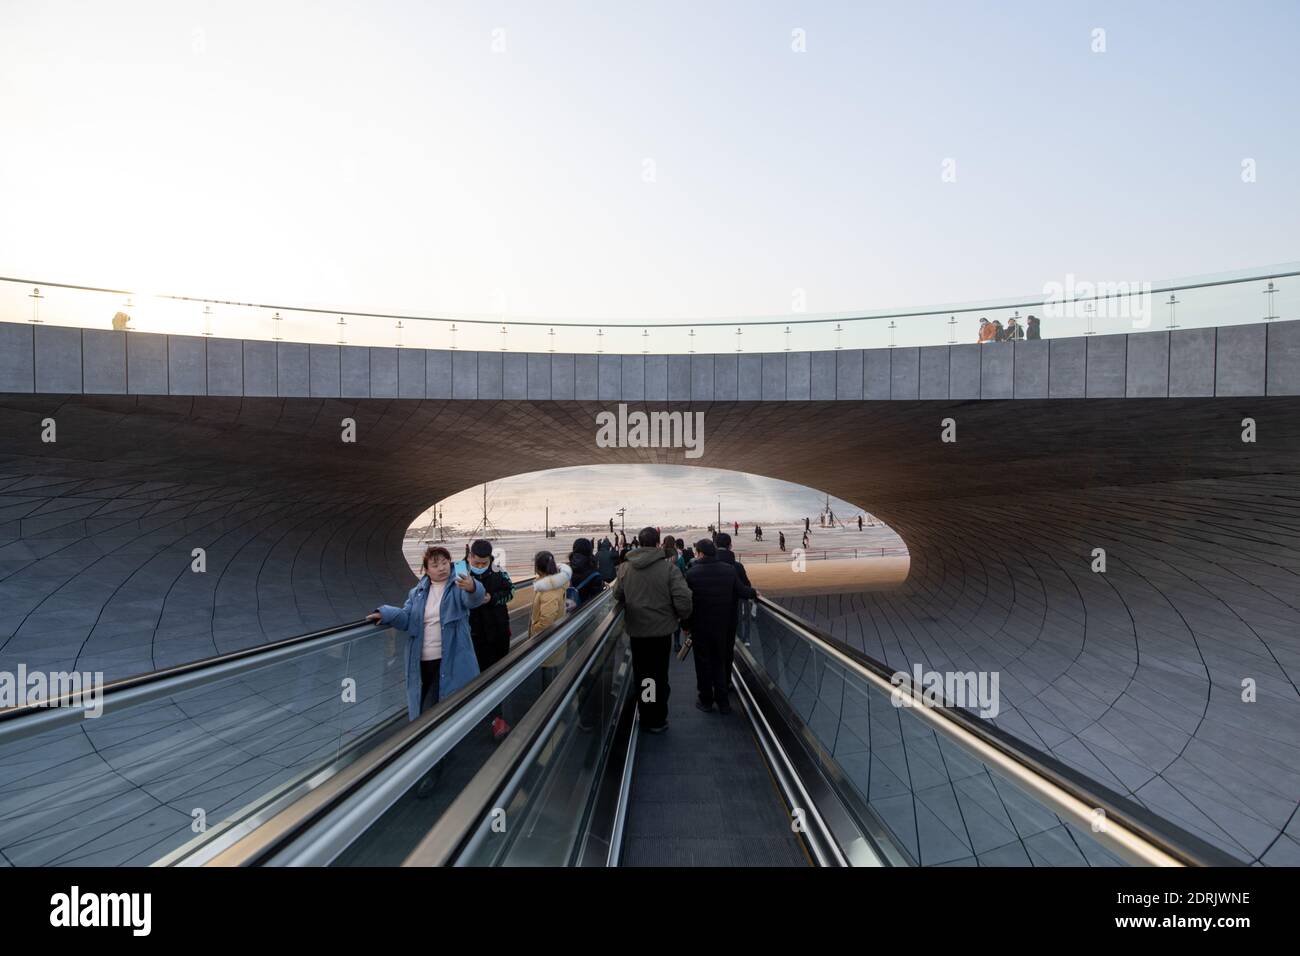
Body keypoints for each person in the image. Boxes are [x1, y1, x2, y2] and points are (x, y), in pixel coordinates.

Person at [368, 545, 484, 797]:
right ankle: (442, 754)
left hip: (448, 662)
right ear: (427, 569)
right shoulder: (418, 592)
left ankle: (431, 771)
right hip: (421, 663)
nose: (441, 567)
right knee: (425, 713)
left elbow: (473, 600)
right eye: (435, 564)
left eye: (444, 562)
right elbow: (408, 618)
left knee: (429, 717)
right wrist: (384, 613)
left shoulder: (458, 586)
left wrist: (473, 587)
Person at [612, 526, 692, 733]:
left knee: (644, 674)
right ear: (658, 544)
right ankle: (656, 718)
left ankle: (647, 714)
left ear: (639, 542)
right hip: (662, 632)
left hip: (637, 631)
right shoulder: (668, 569)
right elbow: (684, 599)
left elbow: (617, 594)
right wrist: (683, 618)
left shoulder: (626, 568)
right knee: (658, 674)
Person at [682, 538, 756, 715]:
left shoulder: (692, 573)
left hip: (700, 627)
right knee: (720, 662)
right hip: (723, 627)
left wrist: (685, 624)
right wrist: (754, 593)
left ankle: (706, 700)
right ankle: (724, 703)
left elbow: (686, 602)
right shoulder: (729, 570)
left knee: (703, 664)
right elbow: (742, 590)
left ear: (699, 553)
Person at [464, 539, 516, 742]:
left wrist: (492, 598)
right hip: (471, 633)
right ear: (470, 557)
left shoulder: (498, 571)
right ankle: (472, 715)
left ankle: (497, 717)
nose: (479, 567)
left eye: (483, 563)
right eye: (476, 563)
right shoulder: (460, 571)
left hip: (497, 632)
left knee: (497, 675)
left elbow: (510, 592)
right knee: (472, 675)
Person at [529, 550, 572, 687]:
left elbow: (546, 622)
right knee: (549, 677)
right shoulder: (551, 584)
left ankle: (550, 705)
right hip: (551, 641)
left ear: (537, 567)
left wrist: (534, 630)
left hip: (548, 643)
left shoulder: (548, 590)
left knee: (549, 681)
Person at [714, 531, 754, 650]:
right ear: (730, 546)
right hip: (733, 610)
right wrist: (753, 593)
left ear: (715, 545)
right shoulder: (737, 566)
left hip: (713, 614)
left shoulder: (706, 565)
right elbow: (746, 586)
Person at [567, 537, 605, 606]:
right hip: (585, 613)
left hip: (568, 613)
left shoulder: (566, 570)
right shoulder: (595, 576)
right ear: (590, 550)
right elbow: (597, 602)